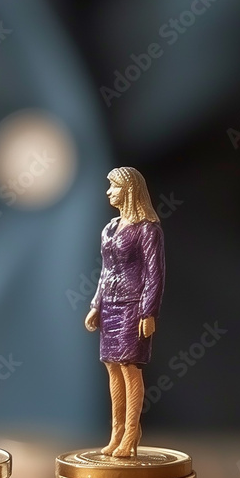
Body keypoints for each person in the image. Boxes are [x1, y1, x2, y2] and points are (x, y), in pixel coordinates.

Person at [85, 167, 165, 458]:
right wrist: (96, 304)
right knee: (112, 367)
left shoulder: (147, 230)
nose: (109, 192)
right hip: (110, 306)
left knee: (130, 368)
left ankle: (131, 432)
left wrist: (148, 312)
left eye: (114, 187)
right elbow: (105, 271)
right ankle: (116, 430)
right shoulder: (109, 228)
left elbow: (155, 274)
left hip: (133, 306)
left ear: (129, 191)